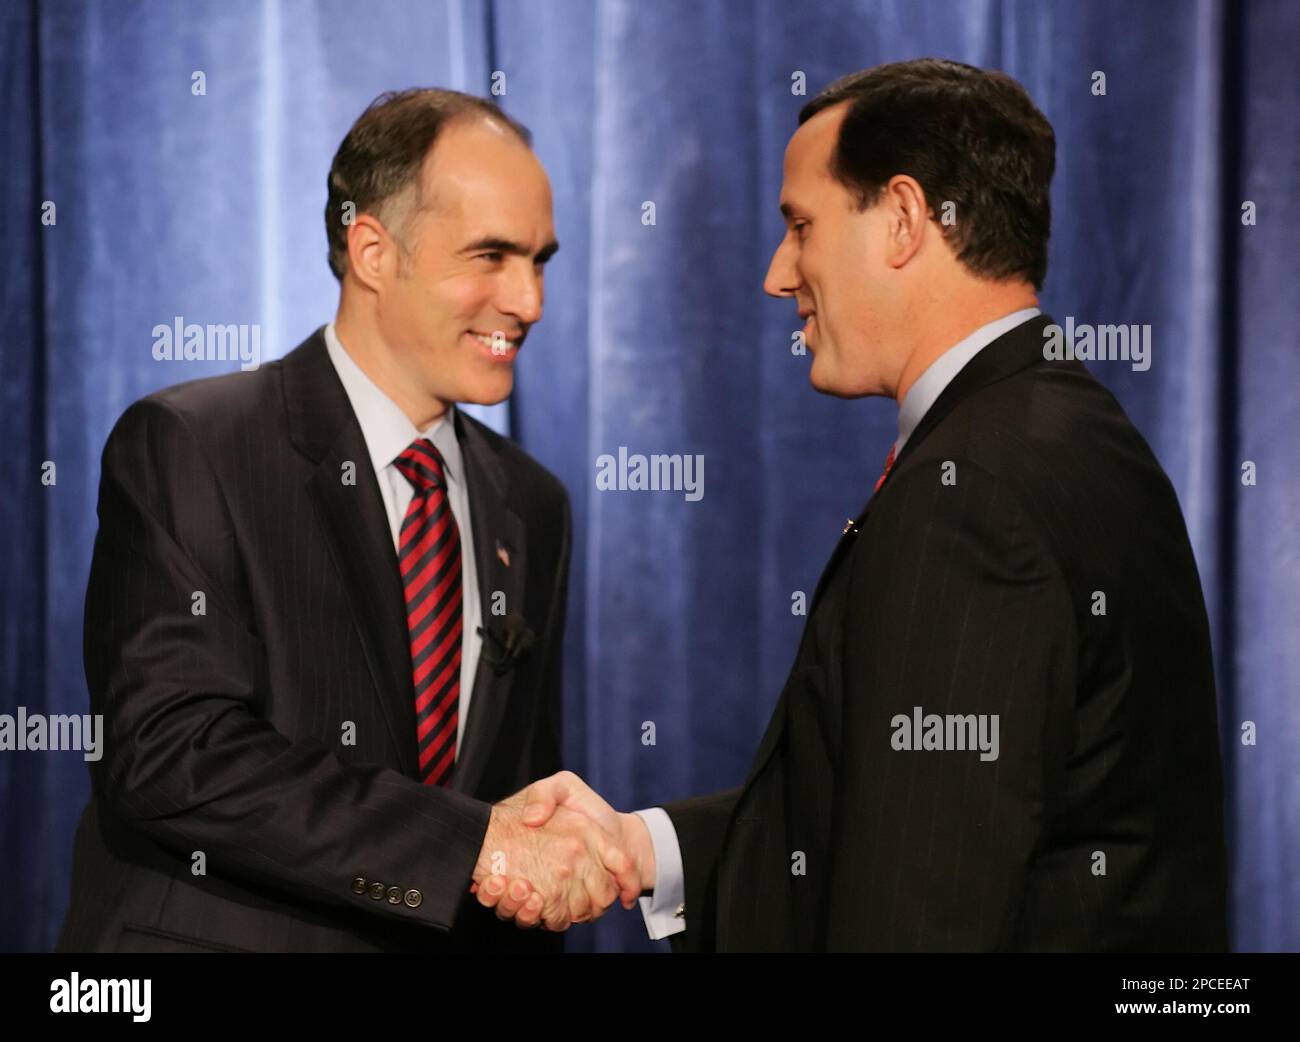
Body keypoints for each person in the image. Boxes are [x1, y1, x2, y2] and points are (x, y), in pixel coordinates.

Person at [488, 59, 1230, 952]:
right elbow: (905, 806)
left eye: (801, 226)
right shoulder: (1067, 431)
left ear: (906, 220)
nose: (777, 273)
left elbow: (916, 905)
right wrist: (638, 846)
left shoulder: (973, 497)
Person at [56, 88, 636, 953]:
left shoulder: (533, 503)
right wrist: (469, 842)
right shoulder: (193, 445)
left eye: (540, 260)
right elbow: (169, 754)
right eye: (491, 255)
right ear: (372, 250)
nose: (529, 300)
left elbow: (512, 801)